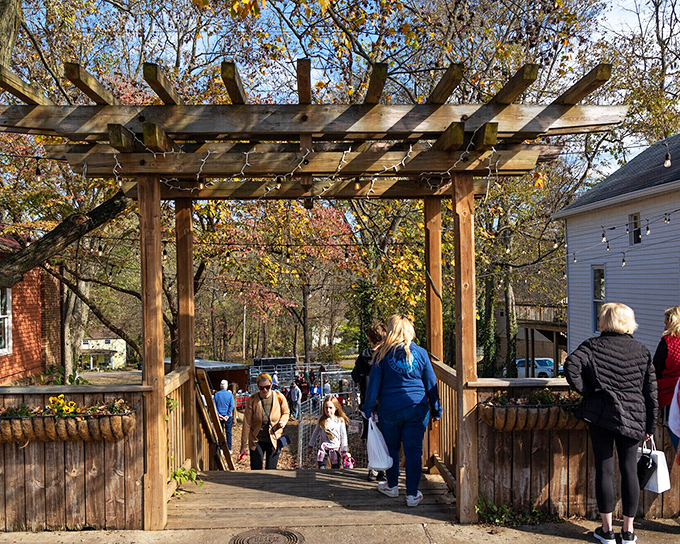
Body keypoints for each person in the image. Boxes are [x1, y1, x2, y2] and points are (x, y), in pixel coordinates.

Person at [565, 303, 657, 544]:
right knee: (630, 472)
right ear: (629, 322)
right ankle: (628, 532)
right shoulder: (642, 350)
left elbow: (571, 365)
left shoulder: (592, 346)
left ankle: (606, 531)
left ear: (605, 322)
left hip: (602, 416)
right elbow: (651, 392)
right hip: (634, 416)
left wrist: (588, 391)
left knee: (604, 470)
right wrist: (650, 425)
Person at [363, 314, 442, 508]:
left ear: (391, 330)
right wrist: (437, 409)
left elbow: (373, 385)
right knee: (413, 450)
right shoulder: (422, 353)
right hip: (417, 408)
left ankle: (392, 486)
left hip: (390, 409)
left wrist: (368, 408)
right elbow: (431, 383)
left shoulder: (382, 354)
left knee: (391, 448)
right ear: (409, 331)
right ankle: (413, 494)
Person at [352, 322, 387, 481]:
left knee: (371, 436)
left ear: (369, 339)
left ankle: (373, 467)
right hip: (384, 402)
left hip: (367, 403)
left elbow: (355, 376)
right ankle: (384, 468)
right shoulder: (386, 356)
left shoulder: (363, 357)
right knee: (385, 435)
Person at [239, 373, 290, 470]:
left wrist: (283, 421)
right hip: (257, 439)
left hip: (274, 439)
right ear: (258, 387)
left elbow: (286, 412)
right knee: (256, 469)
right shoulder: (253, 400)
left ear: (271, 385)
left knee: (271, 470)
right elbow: (247, 423)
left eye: (267, 387)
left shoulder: (279, 397)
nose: (265, 390)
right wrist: (243, 445)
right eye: (261, 388)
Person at [652, 305, 680, 452]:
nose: (664, 326)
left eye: (666, 322)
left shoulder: (668, 342)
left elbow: (656, 369)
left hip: (672, 399)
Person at [308, 395, 350, 469]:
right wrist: (310, 445)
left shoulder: (340, 420)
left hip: (336, 448)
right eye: (326, 407)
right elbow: (315, 433)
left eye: (330, 408)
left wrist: (344, 449)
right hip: (324, 448)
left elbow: (343, 436)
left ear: (336, 408)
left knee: (336, 468)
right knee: (322, 467)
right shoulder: (321, 420)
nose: (328, 410)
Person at [213, 379, 234, 451]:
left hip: (219, 416)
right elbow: (232, 406)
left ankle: (220, 448)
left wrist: (219, 415)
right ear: (227, 386)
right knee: (228, 432)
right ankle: (229, 448)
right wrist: (227, 415)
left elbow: (214, 405)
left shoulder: (216, 394)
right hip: (228, 417)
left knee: (220, 432)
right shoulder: (230, 395)